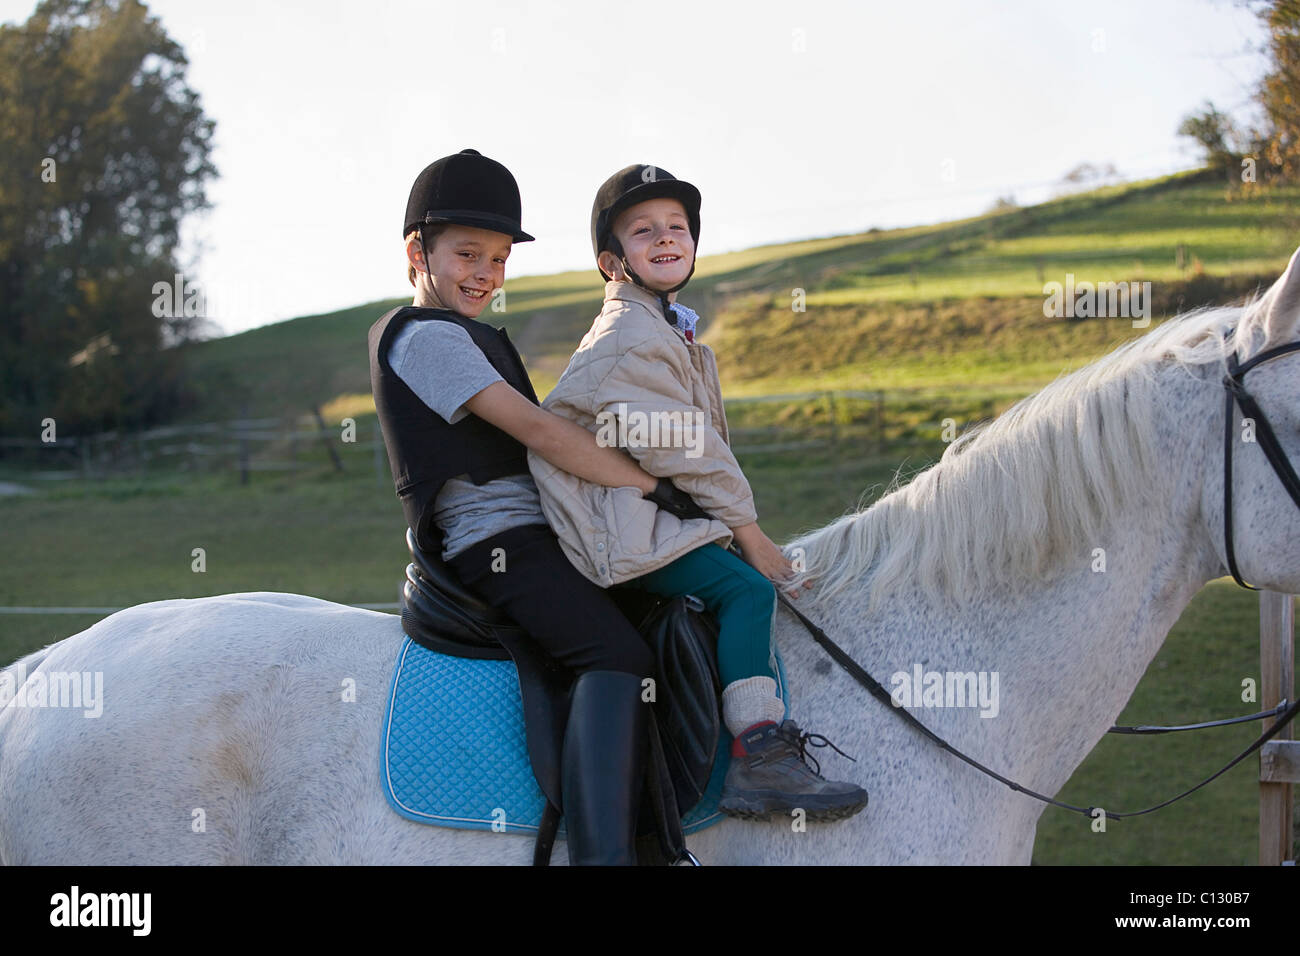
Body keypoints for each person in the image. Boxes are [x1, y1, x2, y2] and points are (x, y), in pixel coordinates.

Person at [368, 149, 703, 864]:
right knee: (616, 654)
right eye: (466, 255)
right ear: (415, 252)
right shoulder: (424, 339)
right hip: (495, 540)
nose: (484, 273)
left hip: (541, 526)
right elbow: (542, 432)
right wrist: (648, 488)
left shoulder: (474, 336)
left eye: (497, 258)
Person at [528, 164, 868, 822]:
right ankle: (761, 754)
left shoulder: (667, 331)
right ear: (612, 261)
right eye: (643, 231)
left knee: (738, 580)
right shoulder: (628, 337)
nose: (665, 239)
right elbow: (687, 449)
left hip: (650, 509)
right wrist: (750, 533)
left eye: (677, 228)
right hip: (613, 521)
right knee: (746, 588)